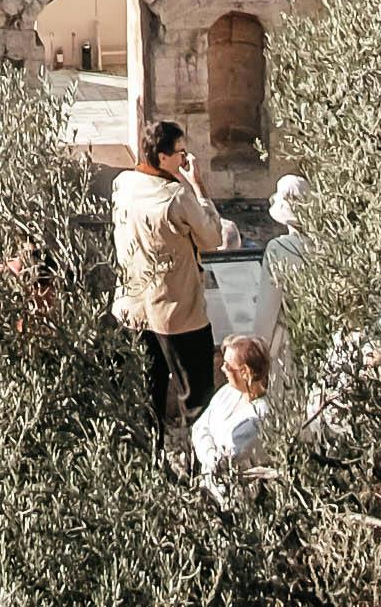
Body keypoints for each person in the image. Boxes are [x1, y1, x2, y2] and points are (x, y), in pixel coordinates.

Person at [111, 120, 235, 447]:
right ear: (163, 157)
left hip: (134, 309)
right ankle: (203, 468)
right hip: (178, 312)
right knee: (197, 398)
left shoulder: (123, 184)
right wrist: (199, 186)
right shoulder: (177, 196)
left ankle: (149, 462)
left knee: (146, 393)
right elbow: (212, 237)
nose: (184, 160)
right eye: (180, 153)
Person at [190, 332, 277, 496]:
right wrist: (210, 454)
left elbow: (228, 459)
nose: (223, 369)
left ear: (245, 372)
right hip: (207, 486)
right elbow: (199, 427)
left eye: (228, 366)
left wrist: (210, 452)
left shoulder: (262, 414)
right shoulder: (227, 392)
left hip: (232, 495)